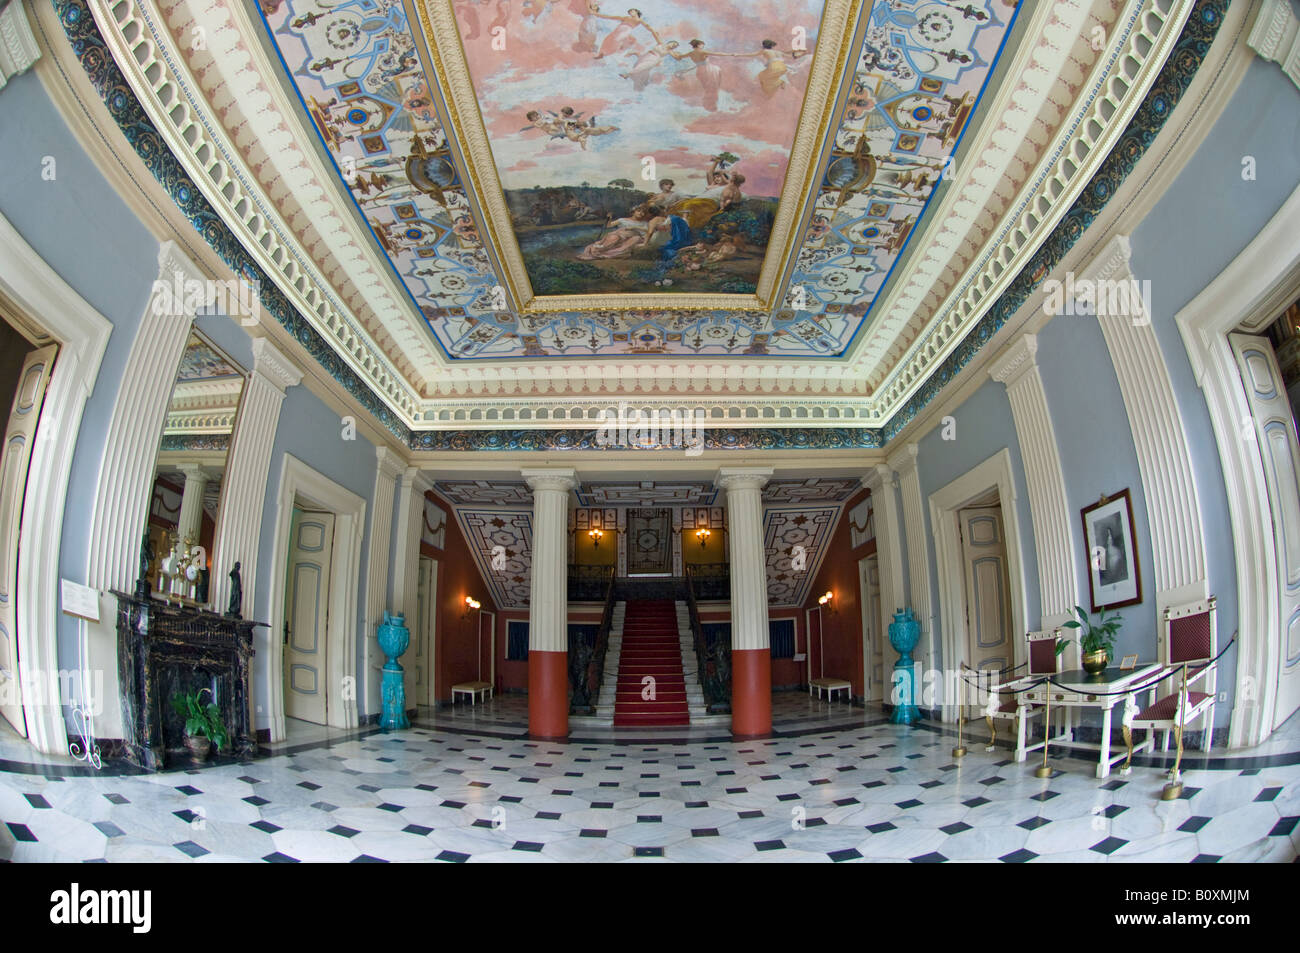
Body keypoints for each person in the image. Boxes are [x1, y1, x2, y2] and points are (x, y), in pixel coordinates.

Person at [576, 203, 664, 259]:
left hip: (632, 238)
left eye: (643, 212)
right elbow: (608, 226)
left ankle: (606, 253)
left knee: (636, 239)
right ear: (633, 211)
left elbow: (649, 231)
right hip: (619, 235)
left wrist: (635, 227)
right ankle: (597, 250)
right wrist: (609, 218)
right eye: (638, 211)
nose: (641, 213)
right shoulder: (622, 220)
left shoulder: (644, 223)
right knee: (615, 237)